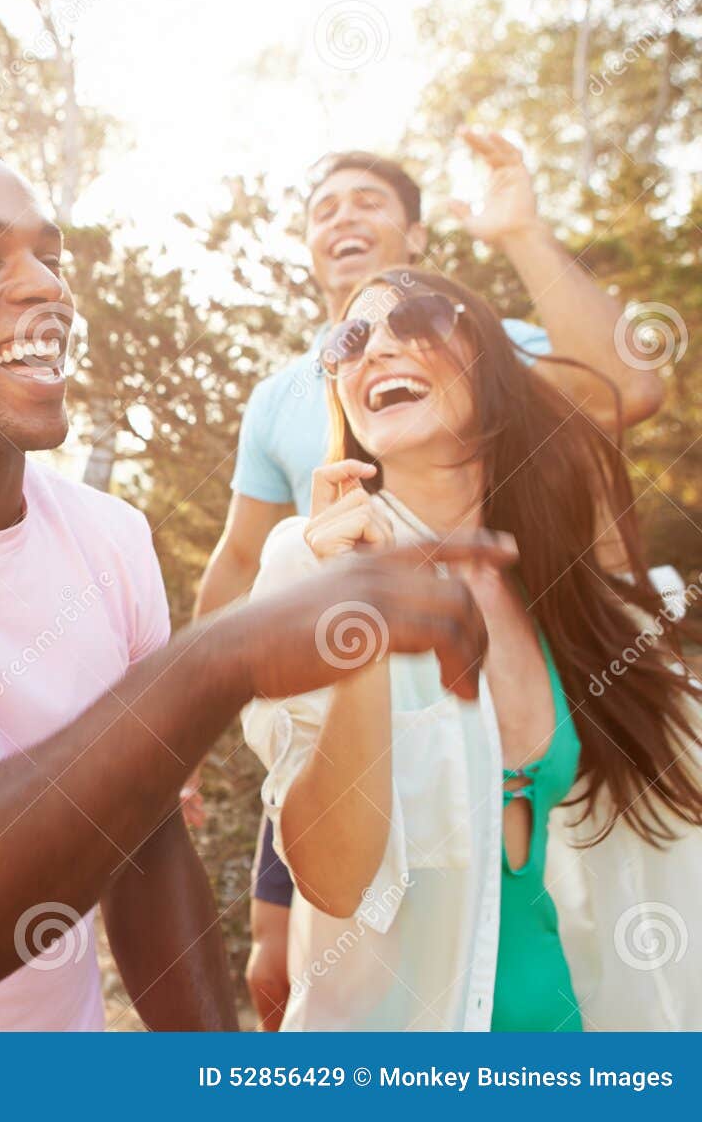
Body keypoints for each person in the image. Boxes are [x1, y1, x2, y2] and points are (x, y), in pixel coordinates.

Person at [0, 136, 516, 1031]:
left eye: (50, 257)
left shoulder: (109, 539)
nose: (46, 287)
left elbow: (146, 849)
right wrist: (214, 659)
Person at [191, 133, 668, 1027]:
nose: (377, 352)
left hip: (563, 1029)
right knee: (289, 955)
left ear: (416, 233)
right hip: (324, 662)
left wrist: (522, 232)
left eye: (367, 201)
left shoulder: (540, 570)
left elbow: (628, 386)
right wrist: (186, 701)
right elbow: (242, 558)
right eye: (355, 342)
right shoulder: (282, 408)